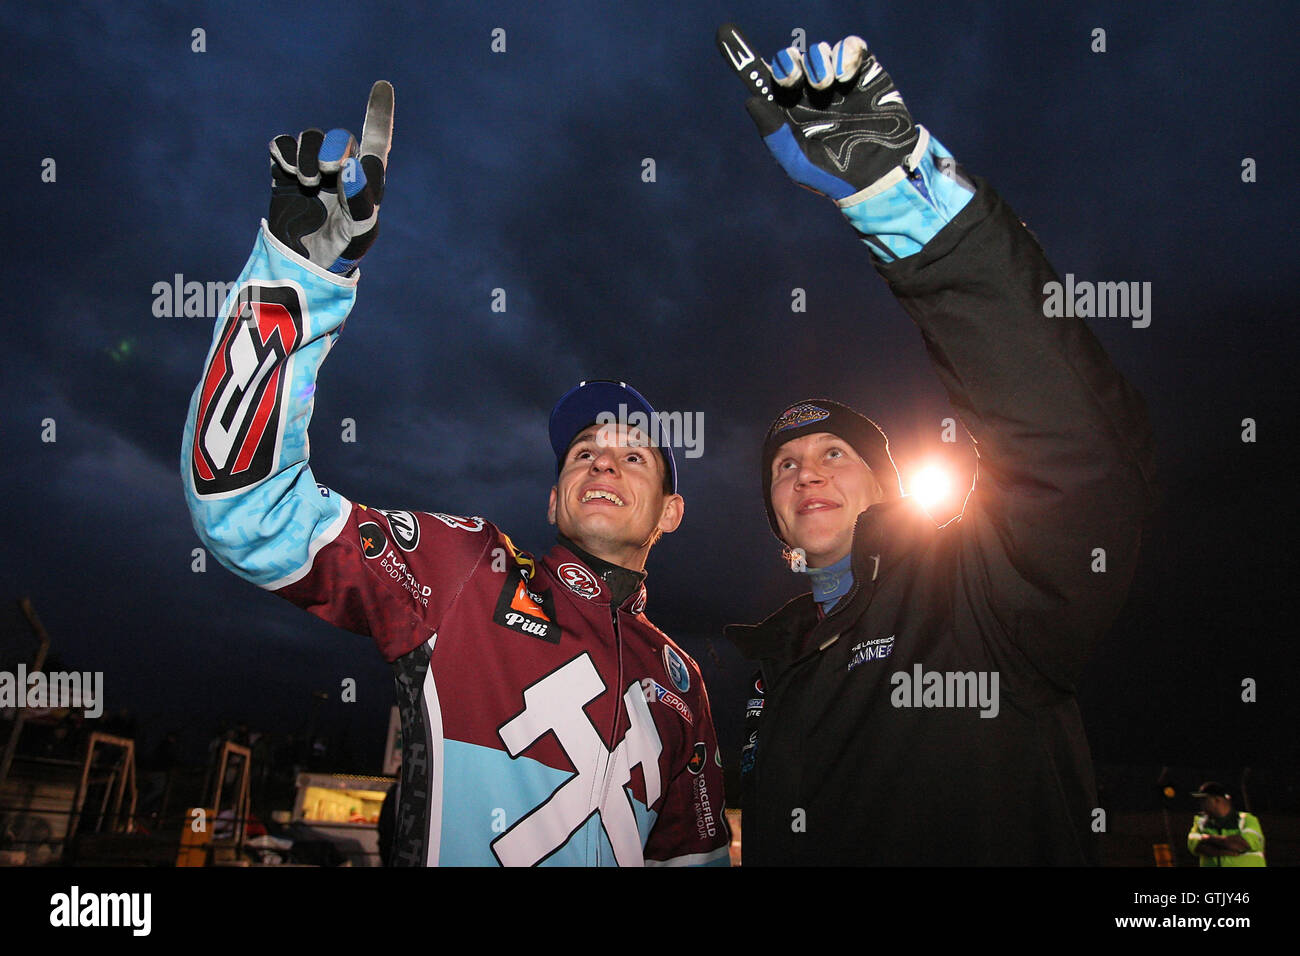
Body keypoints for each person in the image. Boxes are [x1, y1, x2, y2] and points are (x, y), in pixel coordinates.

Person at [181, 83, 729, 867]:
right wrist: (296, 278)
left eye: (633, 455)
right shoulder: (467, 570)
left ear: (670, 512)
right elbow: (247, 510)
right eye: (583, 453)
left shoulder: (683, 682)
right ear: (554, 497)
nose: (604, 458)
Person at [716, 25, 1155, 864]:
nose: (806, 470)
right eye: (785, 465)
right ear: (774, 522)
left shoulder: (977, 597)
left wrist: (895, 205)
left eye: (835, 454)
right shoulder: (774, 669)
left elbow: (1076, 455)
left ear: (889, 488)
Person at [1187, 782, 1265, 867]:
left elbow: (1242, 845)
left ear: (1217, 800)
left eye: (1204, 800)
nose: (1201, 804)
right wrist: (1224, 851)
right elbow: (1195, 846)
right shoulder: (1200, 822)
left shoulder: (1246, 820)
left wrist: (1208, 838)